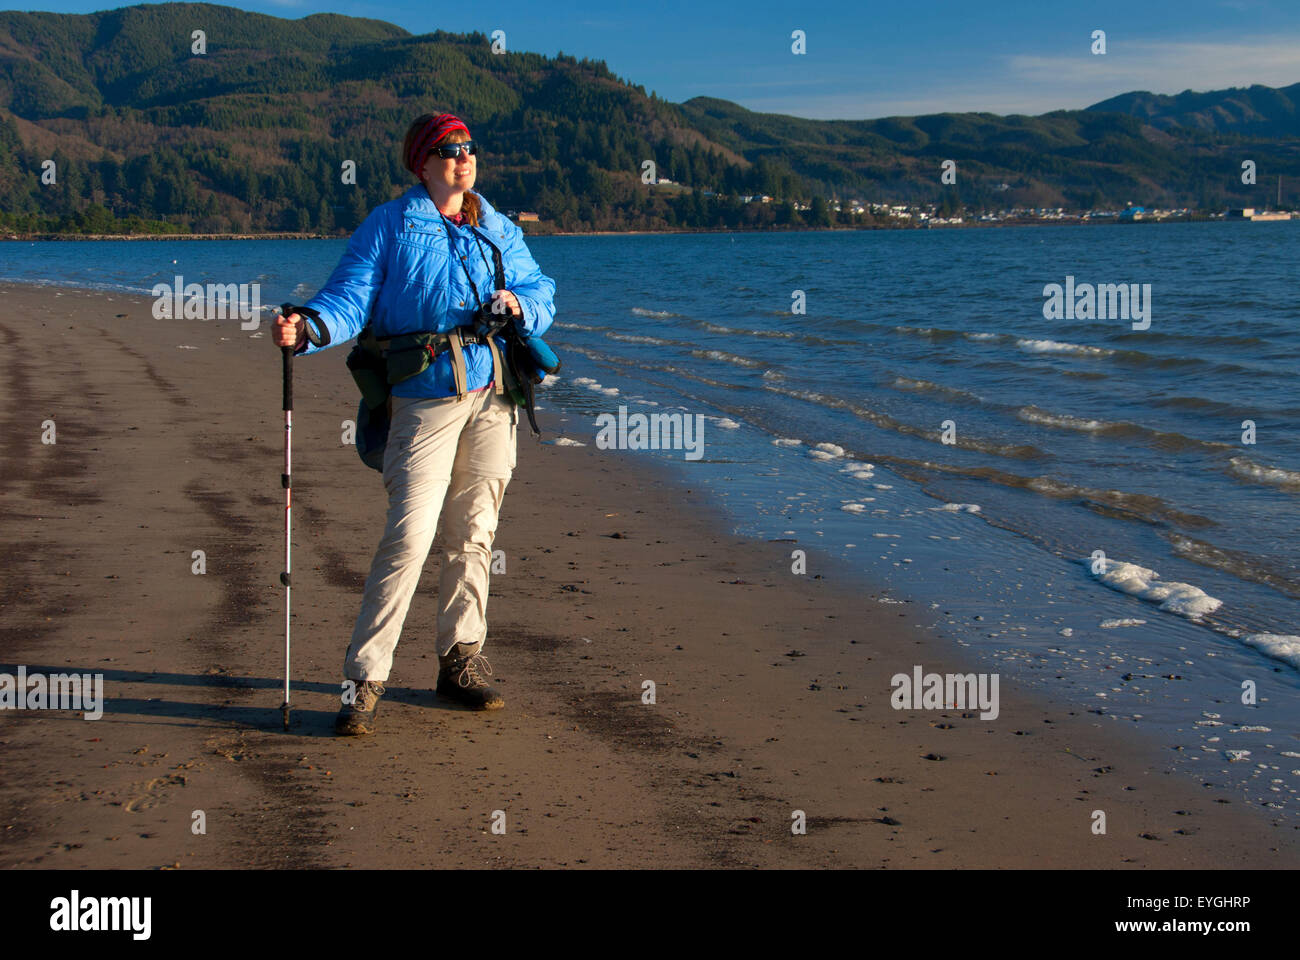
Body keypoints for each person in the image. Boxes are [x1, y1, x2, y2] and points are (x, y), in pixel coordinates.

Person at [272, 113, 556, 736]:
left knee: (475, 532)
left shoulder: (496, 225)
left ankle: (461, 660)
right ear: (421, 164)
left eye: (469, 148)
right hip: (424, 400)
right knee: (409, 538)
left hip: (494, 396)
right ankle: (363, 679)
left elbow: (542, 289)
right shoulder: (389, 226)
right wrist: (308, 328)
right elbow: (348, 298)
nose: (463, 158)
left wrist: (521, 305)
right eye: (449, 150)